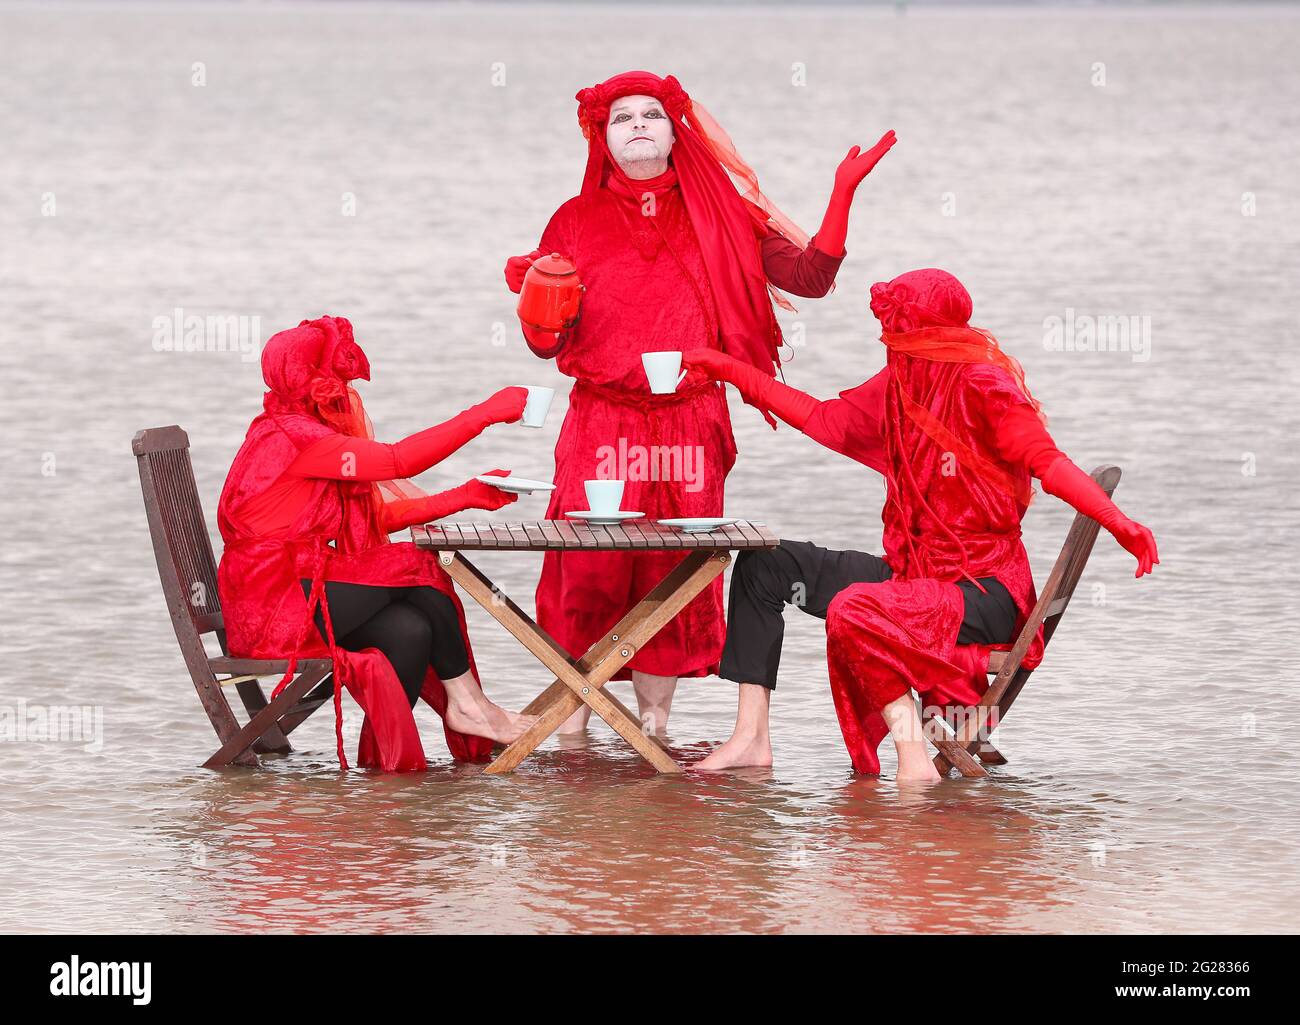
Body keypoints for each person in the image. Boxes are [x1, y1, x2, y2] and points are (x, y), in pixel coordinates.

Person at [504, 68, 895, 735]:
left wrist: (842, 194)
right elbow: (545, 347)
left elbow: (812, 275)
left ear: (676, 130)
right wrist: (537, 306)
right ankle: (572, 731)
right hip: (601, 417)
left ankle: (654, 730)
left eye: (651, 114)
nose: (636, 125)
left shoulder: (721, 213)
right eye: (622, 116)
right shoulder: (572, 220)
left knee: (675, 577)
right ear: (602, 135)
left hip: (691, 421)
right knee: (584, 571)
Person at [681, 269, 1159, 779]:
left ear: (927, 329)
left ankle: (913, 757)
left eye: (900, 327)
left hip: (984, 592)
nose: (890, 340)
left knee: (855, 608)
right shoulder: (902, 381)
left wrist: (1118, 523)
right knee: (765, 565)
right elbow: (822, 419)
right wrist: (729, 370)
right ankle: (751, 738)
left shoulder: (985, 385)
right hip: (915, 575)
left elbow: (1049, 462)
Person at [216, 315, 536, 772]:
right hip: (275, 608)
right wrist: (484, 414)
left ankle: (384, 777)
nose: (347, 394)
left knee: (408, 627)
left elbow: (374, 515)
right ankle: (469, 705)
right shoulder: (298, 438)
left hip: (286, 587)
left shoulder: (289, 429)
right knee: (418, 568)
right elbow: (398, 460)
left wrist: (464, 496)